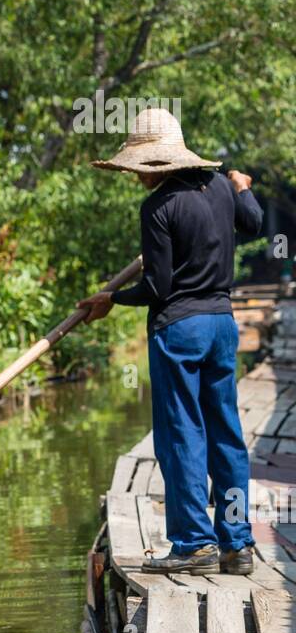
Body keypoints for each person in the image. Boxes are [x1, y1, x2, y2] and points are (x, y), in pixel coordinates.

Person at [78, 107, 263, 575]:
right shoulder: (222, 187)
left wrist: (113, 299)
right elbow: (255, 222)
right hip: (222, 327)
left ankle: (193, 544)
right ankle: (237, 545)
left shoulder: (158, 208)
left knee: (182, 436)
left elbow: (159, 289)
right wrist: (243, 188)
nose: (137, 176)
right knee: (226, 437)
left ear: (157, 165)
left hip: (179, 330)